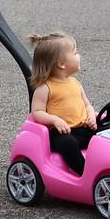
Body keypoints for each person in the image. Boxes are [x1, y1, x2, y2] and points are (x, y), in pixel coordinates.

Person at [28, 32, 97, 175]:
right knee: (68, 144)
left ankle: (109, 163)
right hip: (62, 134)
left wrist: (91, 116)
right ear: (61, 64)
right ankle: (84, 173)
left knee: (108, 133)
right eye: (75, 53)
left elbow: (87, 104)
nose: (80, 56)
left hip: (83, 129)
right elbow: (37, 112)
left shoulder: (75, 83)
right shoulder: (45, 88)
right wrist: (55, 120)